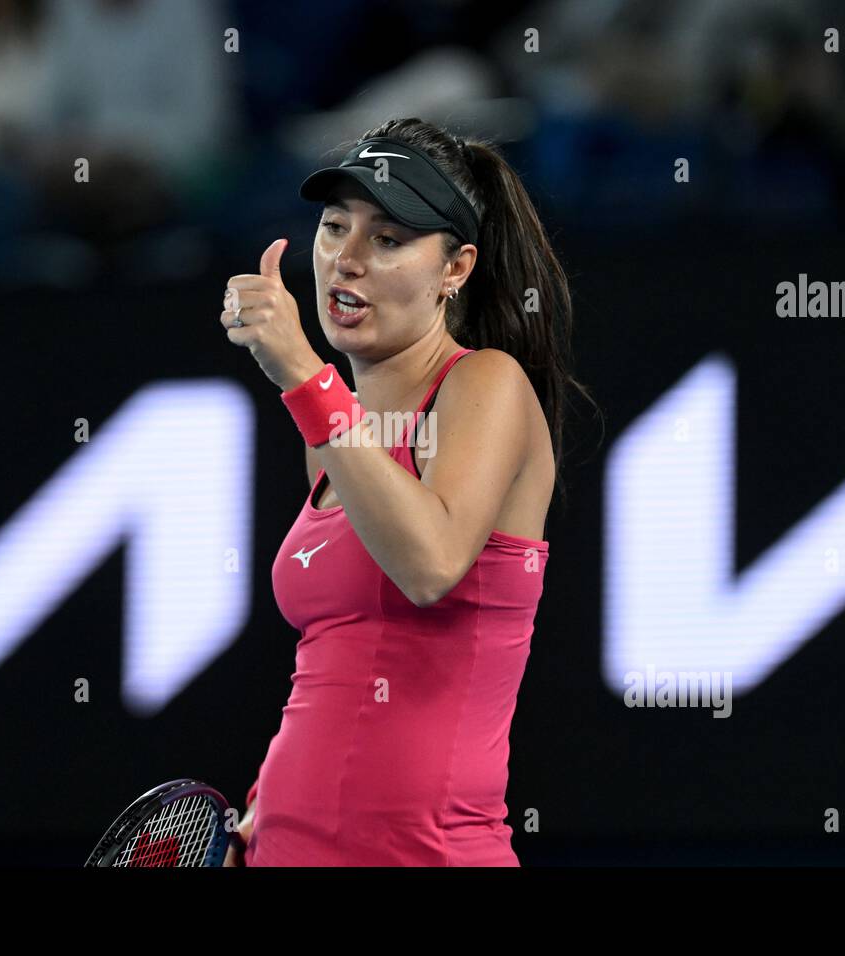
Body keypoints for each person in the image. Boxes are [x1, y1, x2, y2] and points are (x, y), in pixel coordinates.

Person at [219, 117, 594, 866]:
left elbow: (429, 564)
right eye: (333, 229)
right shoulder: (332, 436)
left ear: (455, 268)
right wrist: (266, 804)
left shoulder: (486, 383)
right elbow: (334, 666)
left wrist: (305, 378)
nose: (346, 261)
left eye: (388, 240)